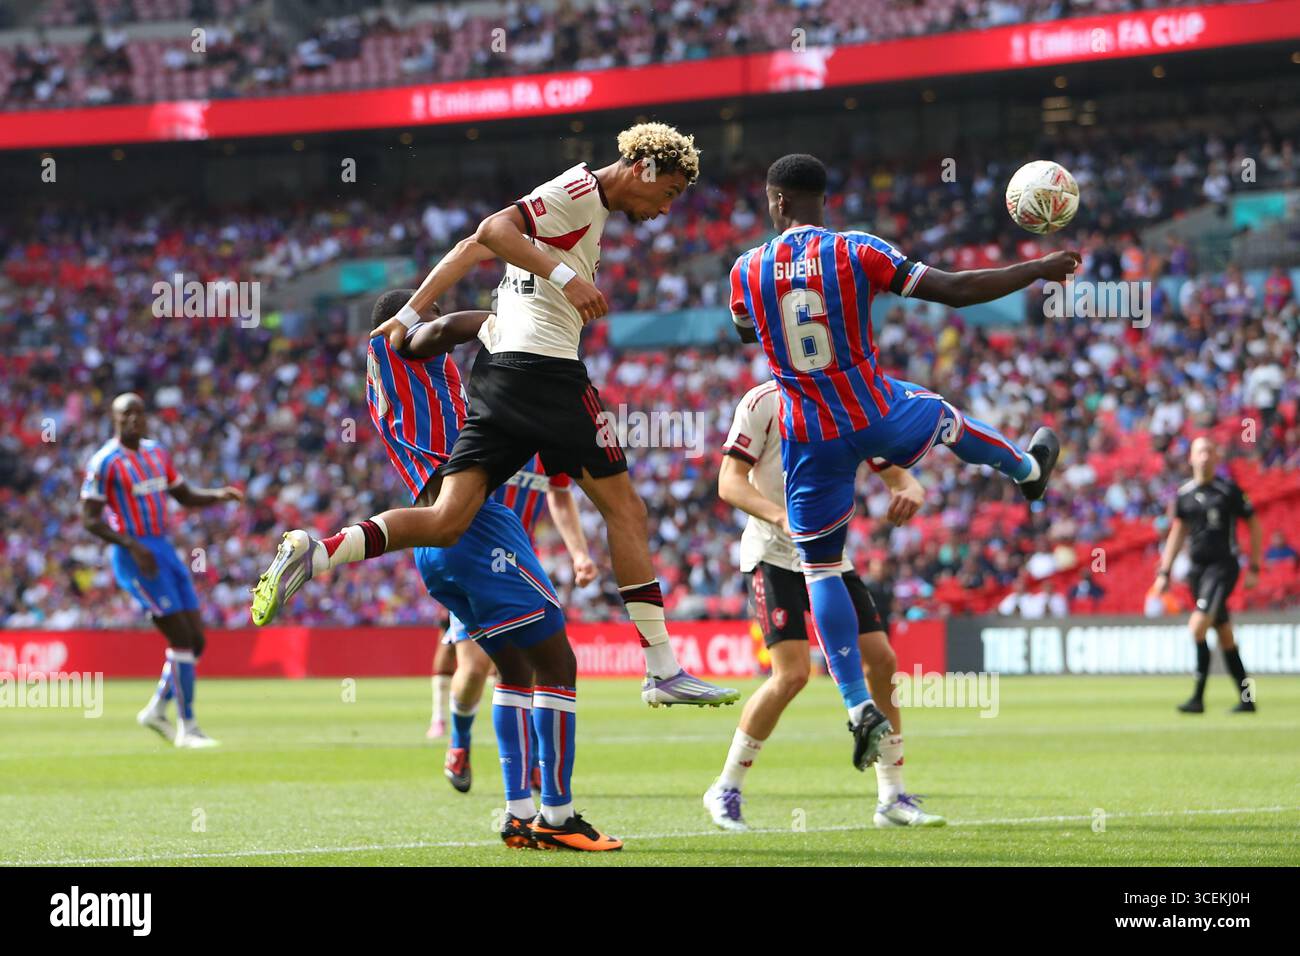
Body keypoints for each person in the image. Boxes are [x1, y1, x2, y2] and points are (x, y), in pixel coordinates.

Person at [251, 123, 737, 708]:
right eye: (671, 192)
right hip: (547, 374)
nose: (666, 208)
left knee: (447, 519)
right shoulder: (578, 193)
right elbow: (491, 230)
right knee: (625, 508)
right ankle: (661, 668)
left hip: (501, 375)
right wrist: (567, 279)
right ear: (644, 170)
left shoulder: (578, 209)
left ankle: (318, 550)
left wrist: (409, 310)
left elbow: (472, 248)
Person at [728, 153, 1079, 767]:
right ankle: (1025, 470)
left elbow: (741, 329)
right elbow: (954, 290)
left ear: (776, 201)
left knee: (821, 568)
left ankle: (857, 702)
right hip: (872, 410)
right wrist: (1040, 268)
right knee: (943, 416)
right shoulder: (857, 251)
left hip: (808, 434)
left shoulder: (745, 269)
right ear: (823, 199)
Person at [357, 292, 621, 848]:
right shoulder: (406, 345)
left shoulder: (383, 377)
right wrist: (496, 326)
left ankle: (518, 813)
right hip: (475, 528)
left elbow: (556, 487)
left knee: (513, 672)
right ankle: (558, 815)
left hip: (438, 538)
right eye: (419, 313)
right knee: (557, 662)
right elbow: (441, 329)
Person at [704, 382, 946, 830]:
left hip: (827, 555)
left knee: (883, 660)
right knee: (792, 674)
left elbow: (892, 469)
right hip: (773, 553)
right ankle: (726, 787)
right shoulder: (762, 403)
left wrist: (911, 485)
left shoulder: (842, 401)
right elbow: (729, 483)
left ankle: (892, 796)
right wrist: (780, 517)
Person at [80, 393, 243, 747]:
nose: (134, 419)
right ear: (115, 419)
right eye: (126, 414)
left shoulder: (157, 453)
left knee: (196, 639)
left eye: (139, 412)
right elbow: (89, 519)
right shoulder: (105, 462)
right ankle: (188, 727)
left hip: (163, 548)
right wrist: (132, 545)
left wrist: (218, 495)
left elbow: (182, 494)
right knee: (180, 637)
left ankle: (156, 709)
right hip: (135, 554)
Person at [437, 451, 598, 794]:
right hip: (475, 558)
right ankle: (459, 742)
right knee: (476, 668)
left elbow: (559, 492)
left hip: (522, 563)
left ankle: (537, 766)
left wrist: (579, 552)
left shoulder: (544, 437)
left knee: (543, 661)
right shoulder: (487, 429)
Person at [1153, 437, 1263, 714]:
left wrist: (1255, 566)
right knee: (1225, 635)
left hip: (1223, 568)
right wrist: (1164, 571)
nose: (1205, 456)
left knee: (1197, 627)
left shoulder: (1228, 491)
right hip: (1197, 572)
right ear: (1190, 458)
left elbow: (1254, 525)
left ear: (1216, 457)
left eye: (1210, 451)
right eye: (1200, 451)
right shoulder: (1184, 495)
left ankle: (1197, 699)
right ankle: (1247, 699)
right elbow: (1178, 533)